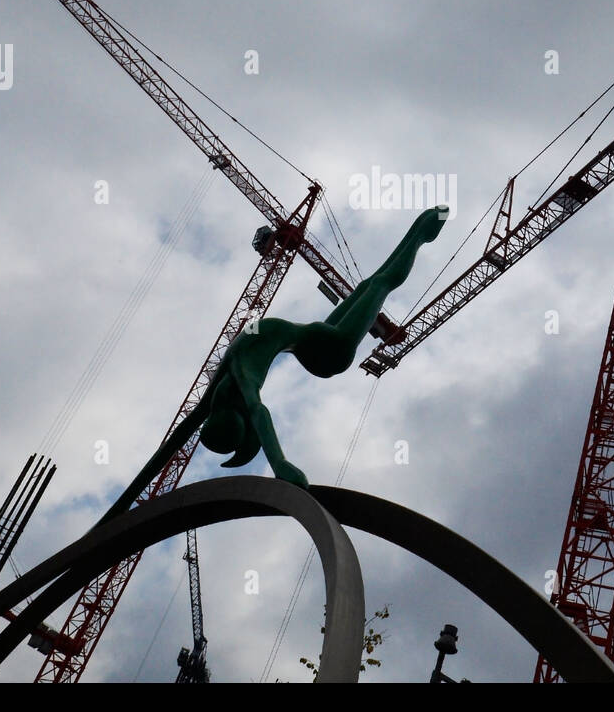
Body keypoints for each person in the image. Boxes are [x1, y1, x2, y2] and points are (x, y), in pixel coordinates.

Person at [100, 204, 446, 521]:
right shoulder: (242, 378)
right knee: (381, 284)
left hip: (313, 339)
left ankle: (424, 225)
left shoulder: (223, 381)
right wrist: (279, 463)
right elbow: (258, 413)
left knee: (369, 284)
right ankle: (422, 232)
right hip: (331, 352)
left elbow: (177, 437)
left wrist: (120, 505)